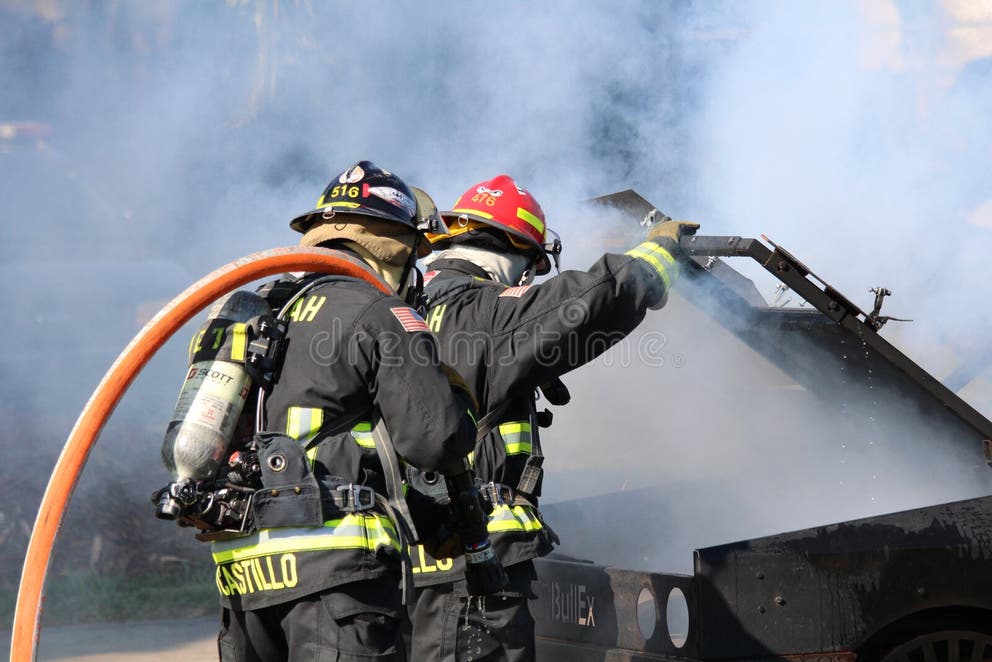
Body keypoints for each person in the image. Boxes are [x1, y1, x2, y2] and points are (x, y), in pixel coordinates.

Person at [406, 174, 699, 662]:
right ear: (521, 256)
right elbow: (592, 300)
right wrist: (659, 255)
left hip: (401, 566)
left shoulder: (399, 306)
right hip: (472, 567)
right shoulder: (482, 310)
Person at [212, 161, 480, 662]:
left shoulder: (263, 309)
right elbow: (437, 438)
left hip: (244, 574)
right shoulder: (375, 308)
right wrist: (456, 393)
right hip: (333, 572)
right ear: (392, 247)